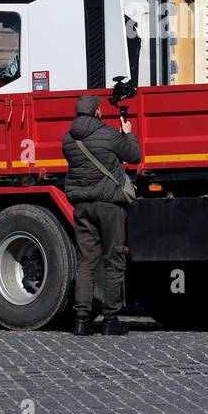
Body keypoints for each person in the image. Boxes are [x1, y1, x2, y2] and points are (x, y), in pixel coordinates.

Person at [62, 94, 141, 337]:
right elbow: (134, 155)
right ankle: (110, 319)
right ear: (97, 111)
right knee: (113, 260)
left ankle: (82, 320)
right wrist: (128, 133)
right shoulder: (108, 134)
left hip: (82, 205)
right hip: (108, 204)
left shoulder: (68, 140)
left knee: (86, 261)